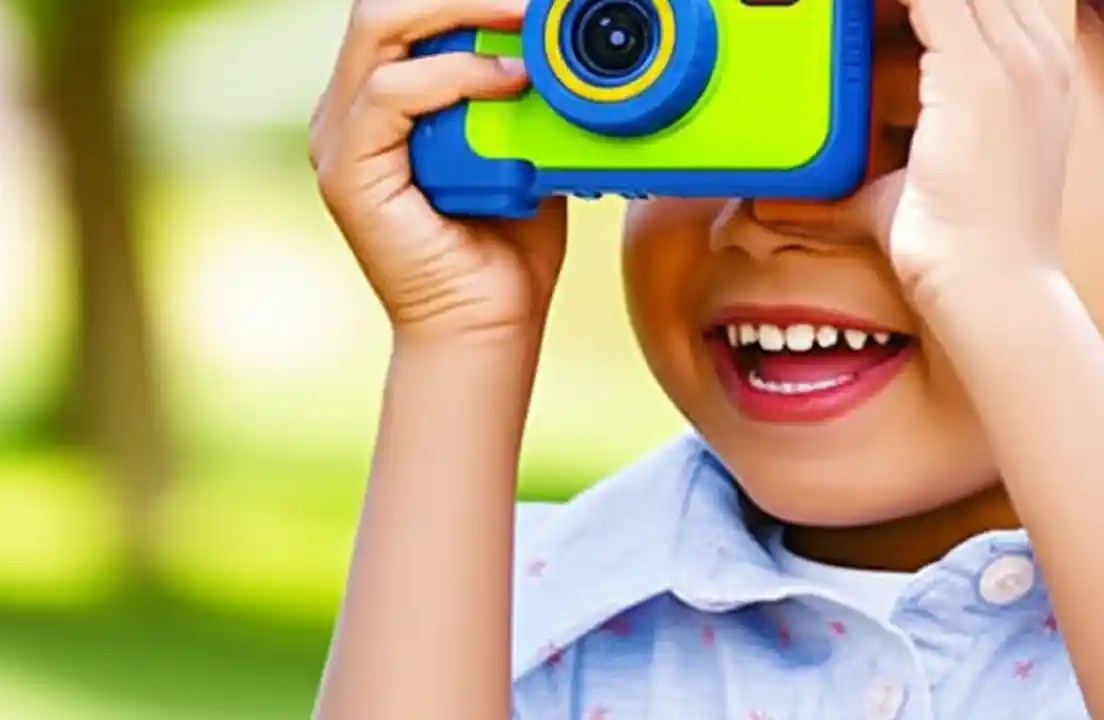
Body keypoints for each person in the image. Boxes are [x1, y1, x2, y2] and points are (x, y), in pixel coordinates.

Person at [307, 0, 1104, 716]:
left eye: (916, 132)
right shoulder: (499, 611)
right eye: (723, 127)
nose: (775, 213)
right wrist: (458, 335)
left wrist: (1000, 285)